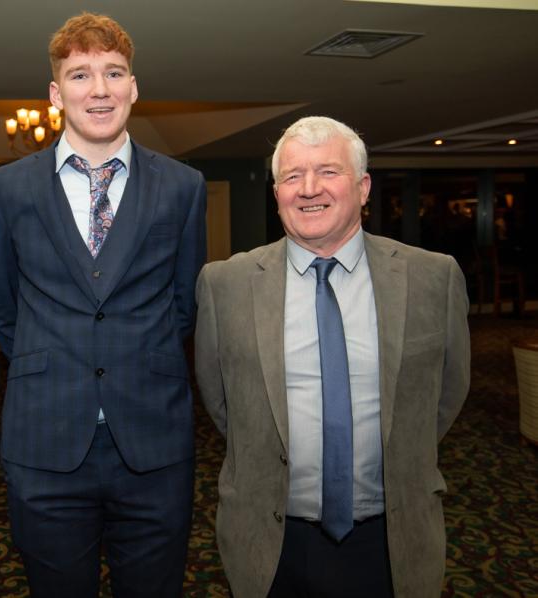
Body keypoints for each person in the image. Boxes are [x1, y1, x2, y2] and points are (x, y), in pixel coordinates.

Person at [194, 116, 470, 598]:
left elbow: (445, 396)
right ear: (276, 191)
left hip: (392, 539)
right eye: (292, 176)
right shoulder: (225, 285)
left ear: (363, 188)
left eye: (328, 171)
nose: (309, 188)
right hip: (270, 541)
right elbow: (224, 405)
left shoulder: (434, 278)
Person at [0, 12, 206, 598]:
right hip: (44, 440)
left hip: (154, 441)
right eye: (80, 75)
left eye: (114, 73)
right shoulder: (9, 188)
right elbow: (3, 308)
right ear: (56, 94)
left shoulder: (183, 187)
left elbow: (185, 303)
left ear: (134, 86)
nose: (99, 90)